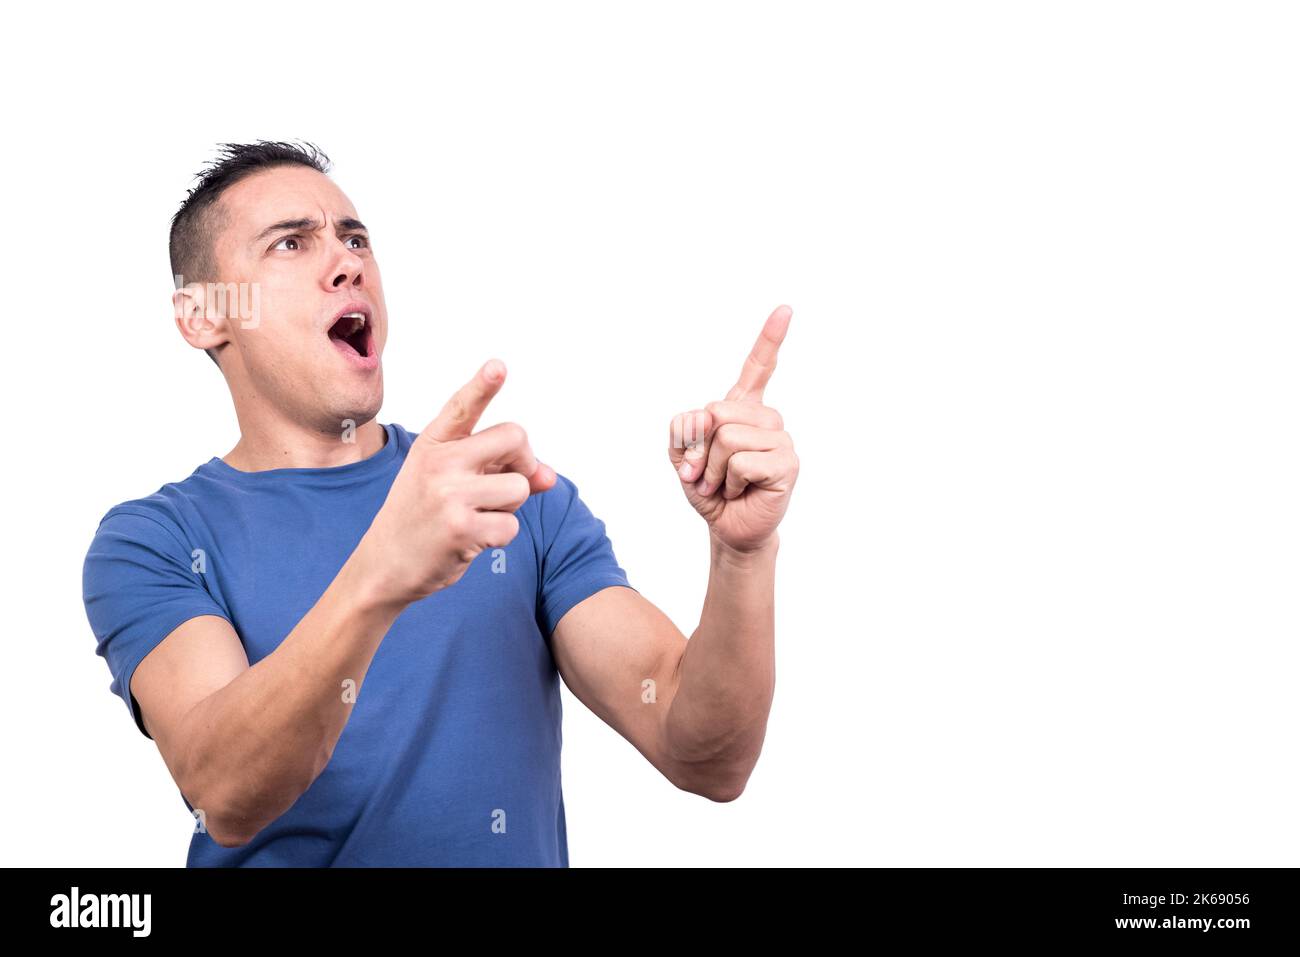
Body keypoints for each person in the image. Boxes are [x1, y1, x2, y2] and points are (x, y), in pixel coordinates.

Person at [81, 140, 800, 866]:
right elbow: (224, 788)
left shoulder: (511, 498)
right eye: (292, 242)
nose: (347, 261)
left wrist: (742, 554)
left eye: (354, 237)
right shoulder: (154, 540)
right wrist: (380, 575)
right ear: (204, 315)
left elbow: (707, 755)